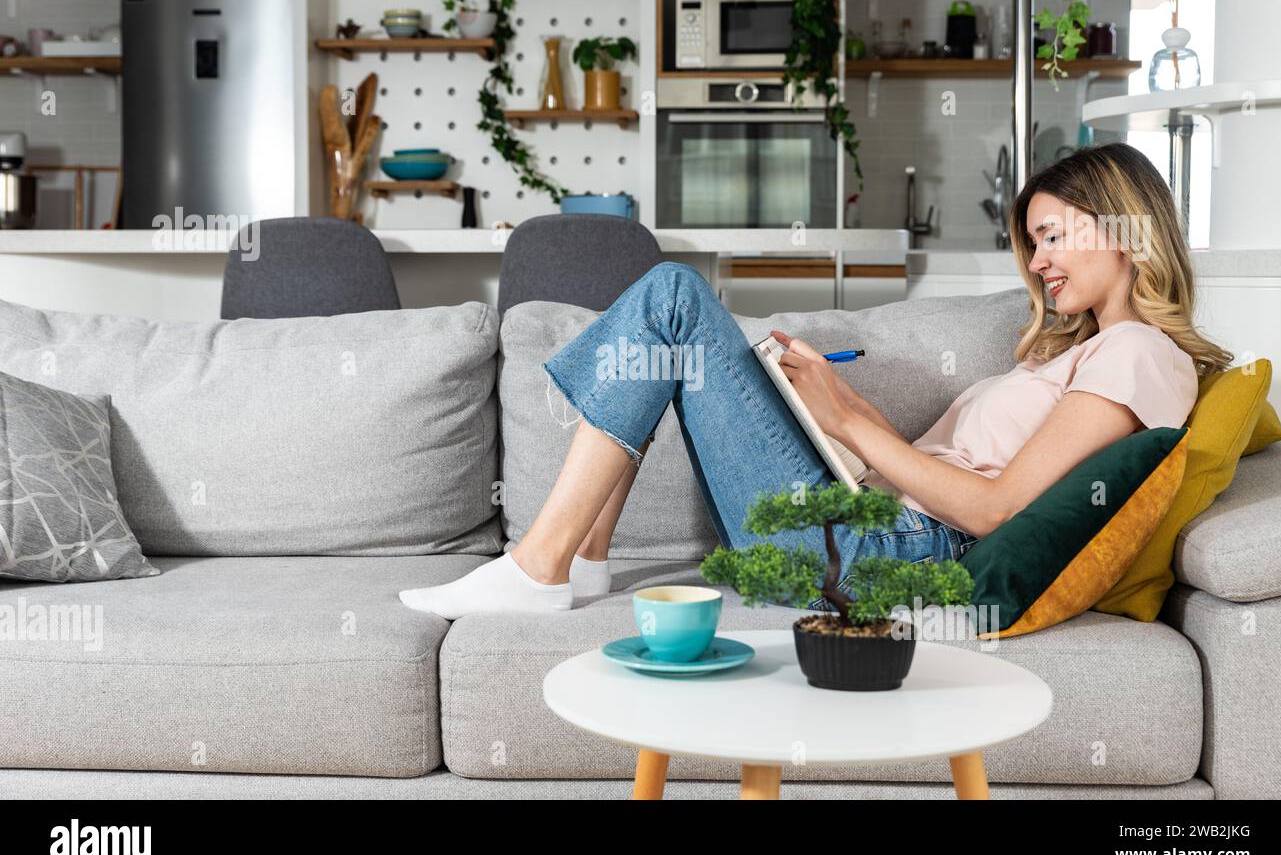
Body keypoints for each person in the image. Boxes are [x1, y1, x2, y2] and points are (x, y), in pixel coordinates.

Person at [400, 143, 1230, 619]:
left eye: (1053, 236)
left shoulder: (1139, 354)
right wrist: (836, 413)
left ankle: (550, 563)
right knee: (674, 315)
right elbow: (953, 482)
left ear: (1125, 227)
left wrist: (854, 423)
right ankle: (577, 556)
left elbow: (993, 509)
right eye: (1034, 244)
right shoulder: (1079, 354)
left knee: (675, 298)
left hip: (886, 555)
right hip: (872, 523)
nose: (1040, 262)